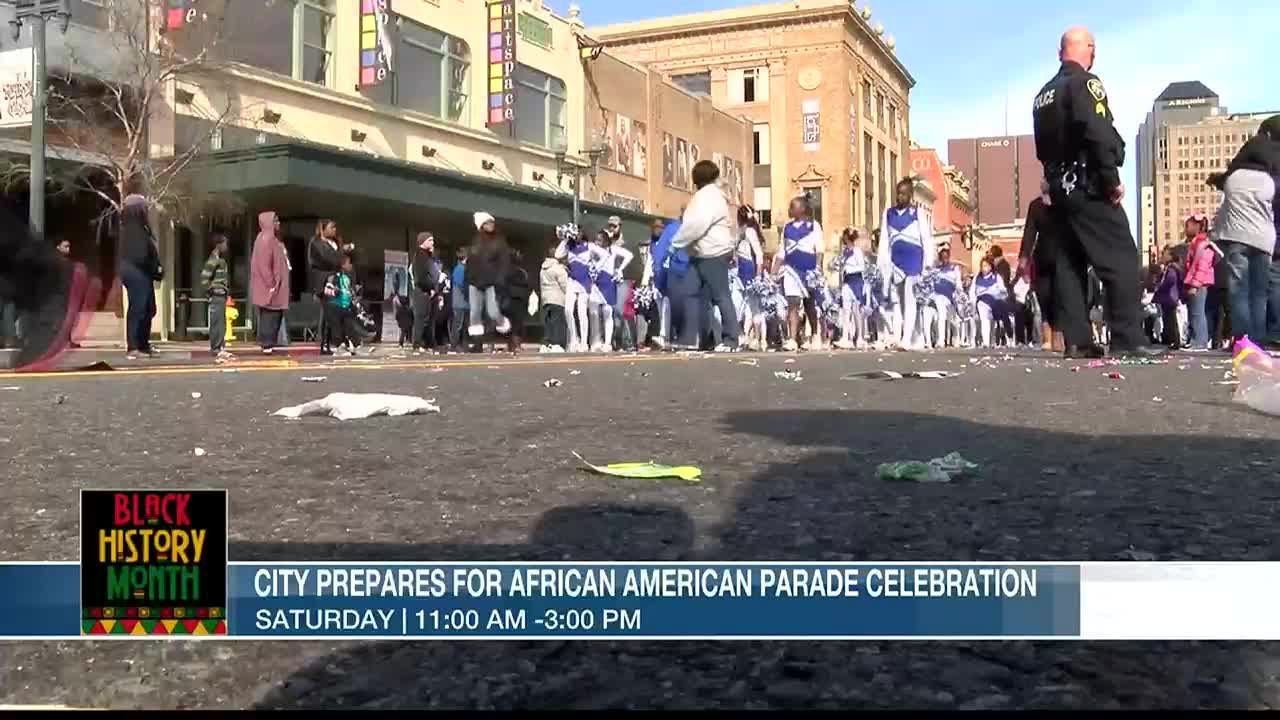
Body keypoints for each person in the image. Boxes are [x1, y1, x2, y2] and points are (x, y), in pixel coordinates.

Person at [1032, 26, 1162, 358]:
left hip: (1059, 188)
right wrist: (1110, 179)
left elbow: (1042, 148)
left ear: (1060, 52)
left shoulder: (1042, 96)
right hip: (1087, 182)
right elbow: (1098, 131)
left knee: (1069, 262)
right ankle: (1127, 337)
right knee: (1121, 256)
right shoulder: (1086, 83)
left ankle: (1077, 340)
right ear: (1089, 49)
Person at [1207, 116, 1280, 345]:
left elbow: (1225, 183)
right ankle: (1257, 339)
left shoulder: (1235, 176)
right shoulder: (1270, 178)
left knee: (1239, 289)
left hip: (1237, 236)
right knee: (1259, 292)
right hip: (1265, 239)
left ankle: (1243, 339)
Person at [670, 160, 740, 352]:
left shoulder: (708, 197)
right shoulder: (711, 195)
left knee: (720, 296)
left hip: (712, 253)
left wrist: (676, 243)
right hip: (701, 253)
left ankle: (731, 340)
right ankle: (692, 337)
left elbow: (697, 224)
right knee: (691, 295)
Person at [878, 178, 935, 351]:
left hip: (914, 259)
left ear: (910, 195)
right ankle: (917, 336)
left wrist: (928, 263)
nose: (899, 197)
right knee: (902, 301)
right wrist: (883, 262)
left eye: (903, 194)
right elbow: (884, 239)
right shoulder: (888, 213)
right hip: (896, 261)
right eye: (898, 194)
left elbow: (926, 238)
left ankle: (906, 338)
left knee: (910, 298)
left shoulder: (917, 213)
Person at [775, 195, 822, 352]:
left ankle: (815, 334)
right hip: (790, 269)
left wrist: (817, 268)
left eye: (792, 207)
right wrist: (774, 272)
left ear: (801, 209)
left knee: (809, 304)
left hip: (808, 269)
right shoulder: (787, 227)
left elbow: (819, 249)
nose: (789, 210)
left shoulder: (813, 225)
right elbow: (782, 251)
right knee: (792, 303)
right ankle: (792, 339)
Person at [1019, 192, 1065, 352]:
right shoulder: (1036, 205)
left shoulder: (1066, 200)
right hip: (1043, 258)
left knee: (1060, 296)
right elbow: (1029, 232)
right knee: (1044, 295)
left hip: (1065, 257)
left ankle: (1058, 335)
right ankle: (1048, 335)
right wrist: (1024, 256)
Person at [119, 194, 161, 360]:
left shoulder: (141, 227)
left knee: (149, 308)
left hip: (143, 272)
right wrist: (154, 267)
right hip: (136, 271)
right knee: (138, 308)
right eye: (144, 207)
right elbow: (140, 255)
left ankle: (143, 344)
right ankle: (133, 347)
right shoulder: (131, 228)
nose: (146, 210)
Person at [465, 211, 511, 340]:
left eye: (492, 222)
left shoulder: (499, 241)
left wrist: (500, 280)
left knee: (493, 312)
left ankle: (502, 322)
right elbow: (470, 262)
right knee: (474, 313)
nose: (491, 224)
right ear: (481, 225)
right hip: (474, 282)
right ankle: (477, 343)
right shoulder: (475, 241)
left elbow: (505, 262)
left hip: (491, 282)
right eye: (487, 222)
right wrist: (468, 277)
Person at [307, 219, 349, 355]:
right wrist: (340, 255)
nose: (334, 230)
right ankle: (325, 344)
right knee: (327, 312)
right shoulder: (316, 243)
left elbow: (339, 260)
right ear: (323, 229)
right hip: (324, 280)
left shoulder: (336, 242)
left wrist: (340, 253)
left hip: (335, 280)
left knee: (336, 311)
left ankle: (334, 342)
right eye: (331, 227)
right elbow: (327, 259)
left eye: (335, 227)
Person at [250, 210, 289, 354]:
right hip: (270, 288)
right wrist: (272, 284)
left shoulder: (273, 239)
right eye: (275, 221)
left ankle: (270, 343)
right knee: (270, 315)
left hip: (275, 287)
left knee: (275, 315)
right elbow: (264, 265)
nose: (278, 223)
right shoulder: (266, 239)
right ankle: (267, 344)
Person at [555, 223, 593, 353]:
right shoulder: (569, 246)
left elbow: (602, 256)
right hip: (572, 280)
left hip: (584, 282)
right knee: (568, 310)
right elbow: (557, 255)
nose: (577, 235)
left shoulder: (589, 246)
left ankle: (584, 342)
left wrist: (595, 272)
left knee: (582, 312)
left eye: (579, 232)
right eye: (575, 232)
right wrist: (566, 239)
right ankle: (573, 339)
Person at [1181, 214, 1216, 350]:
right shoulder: (1196, 243)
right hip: (1196, 282)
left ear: (1197, 226)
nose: (1185, 229)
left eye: (1187, 226)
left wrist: (1195, 285)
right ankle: (1196, 340)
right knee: (1194, 312)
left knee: (1198, 312)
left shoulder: (1203, 244)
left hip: (1200, 283)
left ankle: (1199, 342)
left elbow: (1202, 266)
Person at [735, 205, 766, 350]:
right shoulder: (739, 232)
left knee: (753, 306)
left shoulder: (750, 232)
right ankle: (743, 335)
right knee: (738, 305)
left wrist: (758, 275)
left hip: (749, 269)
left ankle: (757, 338)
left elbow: (759, 254)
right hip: (739, 270)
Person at [200, 233, 234, 363]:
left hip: (221, 295)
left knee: (221, 323)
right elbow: (204, 279)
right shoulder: (213, 260)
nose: (226, 246)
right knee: (216, 323)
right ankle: (216, 348)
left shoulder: (221, 260)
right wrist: (212, 290)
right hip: (216, 295)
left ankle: (220, 347)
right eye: (224, 243)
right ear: (218, 245)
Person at [833, 228, 868, 350]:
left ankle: (860, 337)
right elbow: (840, 265)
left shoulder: (857, 251)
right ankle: (845, 337)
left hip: (856, 282)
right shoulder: (844, 252)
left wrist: (850, 269)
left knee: (856, 310)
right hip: (846, 282)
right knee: (846, 310)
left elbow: (862, 267)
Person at [410, 232, 441, 355]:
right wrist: (430, 288)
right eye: (430, 240)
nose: (432, 243)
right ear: (422, 242)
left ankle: (429, 345)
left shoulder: (427, 256)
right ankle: (418, 345)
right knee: (421, 319)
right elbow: (421, 277)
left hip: (429, 292)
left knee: (429, 320)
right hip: (423, 292)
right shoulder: (420, 256)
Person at [322, 254, 359, 357]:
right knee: (337, 330)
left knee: (349, 327)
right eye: (348, 263)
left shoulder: (348, 278)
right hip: (335, 307)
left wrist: (354, 299)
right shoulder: (333, 277)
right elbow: (327, 291)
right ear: (342, 265)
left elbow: (349, 291)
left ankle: (352, 345)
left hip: (345, 306)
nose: (350, 265)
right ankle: (338, 347)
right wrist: (335, 291)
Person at [926, 246, 962, 349]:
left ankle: (956, 336)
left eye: (946, 257)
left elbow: (958, 282)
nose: (944, 259)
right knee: (940, 316)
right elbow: (930, 281)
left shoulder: (954, 268)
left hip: (950, 296)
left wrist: (959, 292)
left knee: (953, 320)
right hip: (937, 296)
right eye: (942, 257)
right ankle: (940, 340)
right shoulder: (936, 269)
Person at [970, 258, 1007, 348]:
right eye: (982, 266)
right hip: (981, 301)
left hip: (994, 302)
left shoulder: (996, 277)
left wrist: (1002, 297)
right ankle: (986, 342)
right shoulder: (977, 278)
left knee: (992, 322)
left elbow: (1002, 289)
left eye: (986, 266)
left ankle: (992, 341)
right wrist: (972, 302)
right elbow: (972, 291)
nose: (984, 268)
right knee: (984, 320)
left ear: (990, 267)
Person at [540, 243, 568, 353]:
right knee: (558, 322)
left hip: (546, 299)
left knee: (548, 322)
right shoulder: (558, 268)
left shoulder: (543, 268)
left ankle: (546, 344)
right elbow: (565, 285)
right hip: (557, 299)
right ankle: (557, 344)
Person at [1153, 247, 1184, 349]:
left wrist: (1160, 286)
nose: (1162, 256)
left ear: (1171, 256)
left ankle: (1175, 340)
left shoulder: (1171, 268)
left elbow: (1170, 280)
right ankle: (1170, 339)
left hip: (1169, 296)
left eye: (1164, 254)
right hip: (1169, 296)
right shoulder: (1169, 268)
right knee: (1168, 319)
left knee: (1171, 320)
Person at [449, 247, 469, 352]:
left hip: (462, 302)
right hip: (460, 302)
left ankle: (461, 344)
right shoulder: (460, 269)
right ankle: (455, 344)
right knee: (458, 324)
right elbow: (462, 285)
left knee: (461, 325)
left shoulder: (460, 268)